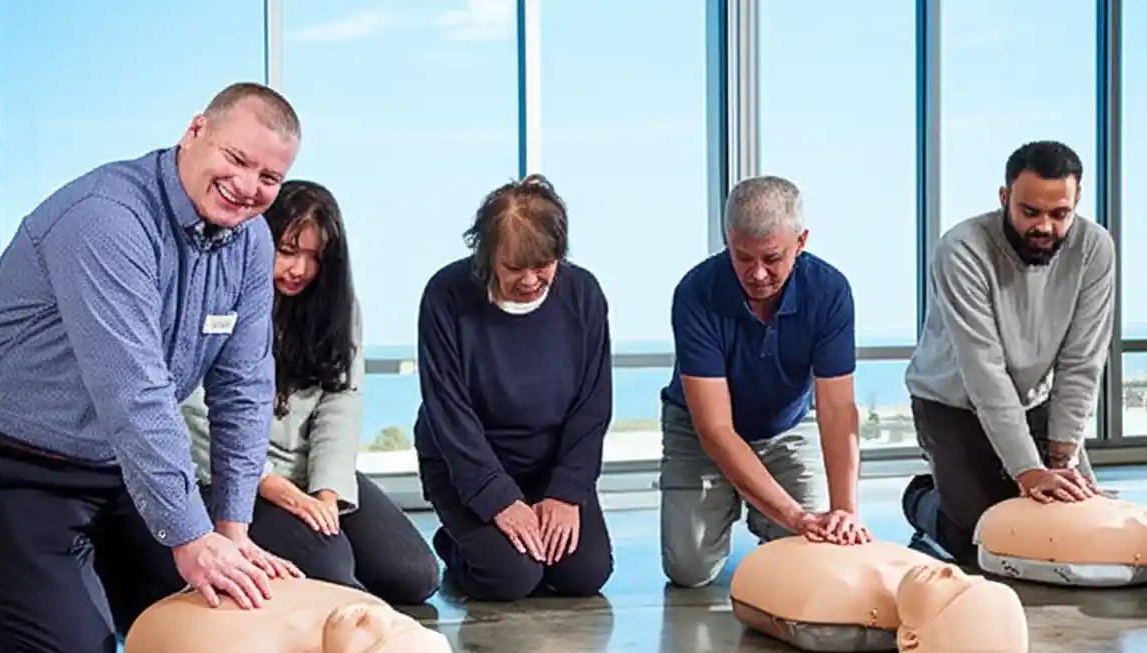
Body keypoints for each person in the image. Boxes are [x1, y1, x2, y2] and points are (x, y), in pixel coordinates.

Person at [0, 82, 303, 653]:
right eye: (237, 160)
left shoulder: (250, 242)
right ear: (195, 133)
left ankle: (64, 582)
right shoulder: (108, 218)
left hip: (117, 472)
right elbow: (134, 392)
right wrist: (190, 540)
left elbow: (244, 387)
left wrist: (230, 529)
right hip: (18, 466)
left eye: (269, 177)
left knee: (230, 597)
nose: (249, 187)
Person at [180, 180, 441, 606]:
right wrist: (272, 486)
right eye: (288, 251)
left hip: (309, 476)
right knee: (335, 574)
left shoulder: (339, 308)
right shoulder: (218, 296)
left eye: (314, 257)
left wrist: (327, 494)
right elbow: (193, 406)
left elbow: (342, 403)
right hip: (239, 480)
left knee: (415, 576)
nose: (299, 269)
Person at [901, 140, 1114, 565]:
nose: (1045, 227)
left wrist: (1061, 458)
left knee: (1065, 518)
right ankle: (921, 496)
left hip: (1033, 399)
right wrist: (1028, 471)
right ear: (1005, 198)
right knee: (982, 540)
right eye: (1030, 212)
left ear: (1077, 202)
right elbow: (984, 371)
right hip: (950, 404)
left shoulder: (1095, 248)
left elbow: (1082, 362)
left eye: (1059, 214)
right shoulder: (961, 249)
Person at [658, 175, 872, 589]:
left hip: (786, 426)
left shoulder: (830, 291)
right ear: (728, 239)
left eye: (772, 258)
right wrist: (793, 515)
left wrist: (845, 511)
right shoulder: (695, 292)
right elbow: (715, 429)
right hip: (700, 432)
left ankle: (765, 511)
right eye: (743, 257)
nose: (757, 274)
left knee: (819, 551)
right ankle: (752, 506)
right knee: (689, 569)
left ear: (801, 241)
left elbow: (836, 409)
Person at [414, 174, 615, 602]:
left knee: (585, 573)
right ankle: (455, 542)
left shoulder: (584, 295)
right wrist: (498, 499)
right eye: (514, 268)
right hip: (467, 467)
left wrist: (565, 492)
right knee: (512, 576)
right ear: (488, 257)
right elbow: (449, 414)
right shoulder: (445, 296)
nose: (529, 281)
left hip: (547, 468)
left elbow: (592, 406)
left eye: (542, 266)